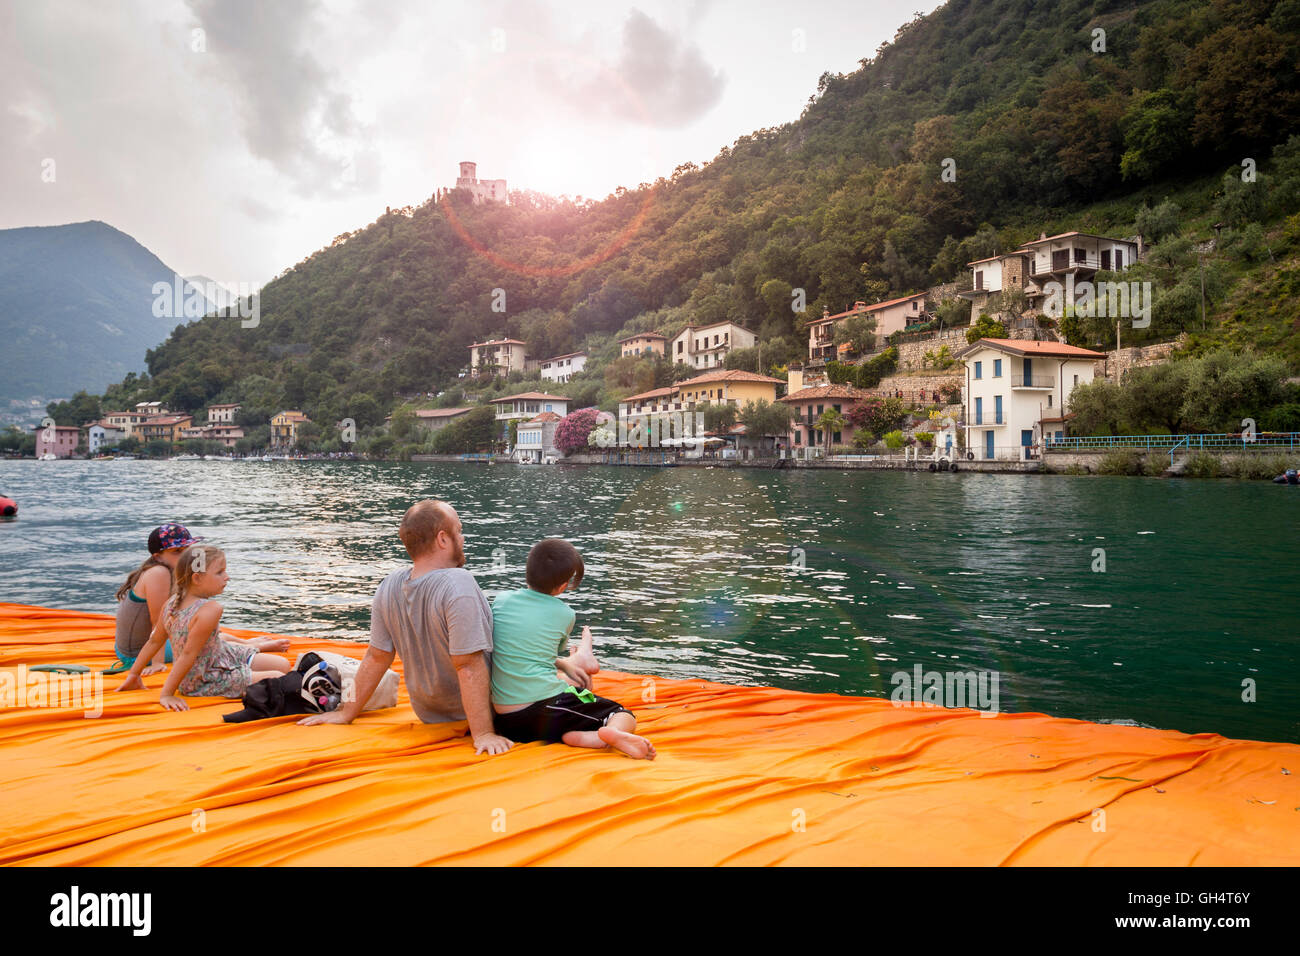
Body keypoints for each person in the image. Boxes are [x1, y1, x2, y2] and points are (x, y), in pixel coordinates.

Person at [299, 500, 588, 756]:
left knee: (563, 670)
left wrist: (346, 712)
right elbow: (469, 665)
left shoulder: (388, 585)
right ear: (442, 539)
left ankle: (566, 661)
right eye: (459, 531)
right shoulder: (457, 583)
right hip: (482, 712)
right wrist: (484, 733)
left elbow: (376, 656)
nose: (463, 538)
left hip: (429, 714)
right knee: (578, 686)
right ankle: (573, 662)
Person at [490, 538, 654, 760]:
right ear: (562, 586)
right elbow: (550, 650)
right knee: (621, 713)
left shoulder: (501, 600)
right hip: (537, 712)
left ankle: (581, 671)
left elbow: (531, 651)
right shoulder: (564, 613)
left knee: (580, 690)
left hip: (503, 720)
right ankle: (604, 735)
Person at [116, 545, 291, 710]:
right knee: (280, 678)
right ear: (197, 578)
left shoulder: (172, 602)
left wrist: (134, 675)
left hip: (220, 656)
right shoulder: (210, 609)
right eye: (220, 572)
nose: (227, 577)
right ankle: (244, 681)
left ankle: (246, 675)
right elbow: (185, 653)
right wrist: (166, 694)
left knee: (283, 664)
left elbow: (154, 641)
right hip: (204, 678)